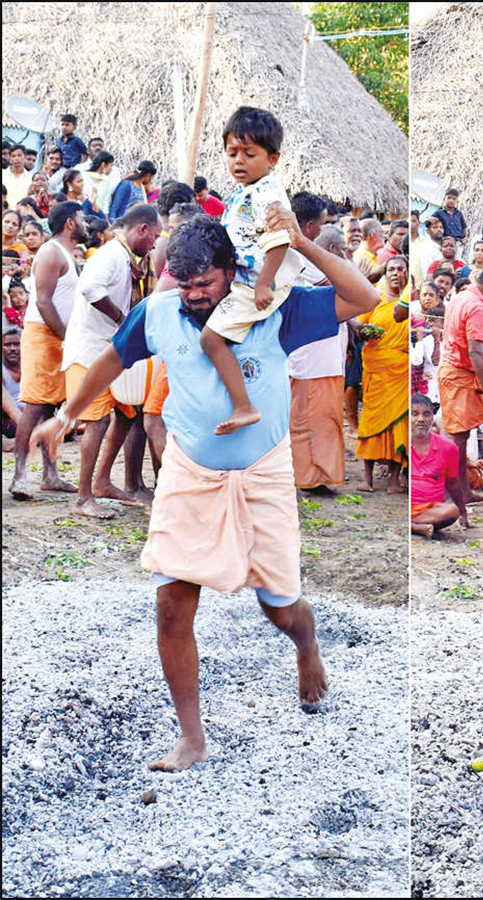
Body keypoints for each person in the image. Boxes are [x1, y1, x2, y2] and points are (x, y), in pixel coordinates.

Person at [29, 207, 380, 771]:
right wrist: (66, 414)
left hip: (263, 471)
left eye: (205, 283)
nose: (193, 295)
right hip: (189, 470)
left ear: (230, 271)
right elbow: (113, 357)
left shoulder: (273, 306)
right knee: (171, 606)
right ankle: (191, 738)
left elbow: (363, 298)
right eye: (184, 283)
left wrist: (298, 243)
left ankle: (308, 648)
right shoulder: (158, 311)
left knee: (281, 609)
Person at [197, 107, 297, 437]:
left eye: (249, 154)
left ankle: (244, 406)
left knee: (210, 339)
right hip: (244, 278)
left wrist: (263, 285)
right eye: (232, 153)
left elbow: (279, 239)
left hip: (256, 282)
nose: (239, 161)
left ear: (273, 158)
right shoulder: (245, 192)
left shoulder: (268, 193)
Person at [60, 201, 161, 518]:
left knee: (127, 413)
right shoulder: (111, 255)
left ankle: (102, 482)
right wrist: (122, 319)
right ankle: (83, 498)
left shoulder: (130, 257)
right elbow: (91, 289)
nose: (155, 244)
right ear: (142, 229)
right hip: (88, 349)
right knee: (97, 421)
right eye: (154, 236)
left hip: (110, 349)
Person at [10, 201, 87, 500]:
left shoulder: (64, 253)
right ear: (70, 223)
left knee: (53, 407)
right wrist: (67, 337)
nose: (86, 224)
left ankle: (50, 474)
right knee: (35, 406)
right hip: (44, 336)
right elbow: (43, 301)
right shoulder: (51, 252)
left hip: (59, 337)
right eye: (81, 218)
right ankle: (19, 476)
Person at [284, 193, 347, 494]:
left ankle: (318, 475)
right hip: (311, 353)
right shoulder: (297, 254)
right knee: (311, 416)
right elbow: (341, 286)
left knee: (320, 415)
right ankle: (310, 477)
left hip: (320, 350)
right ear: (309, 226)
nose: (321, 231)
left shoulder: (301, 253)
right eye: (321, 225)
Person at [436, 265, 483, 509]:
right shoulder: (476, 306)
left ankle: (463, 491)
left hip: (456, 373)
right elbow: (476, 351)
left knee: (462, 436)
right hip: (460, 374)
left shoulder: (462, 296)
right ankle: (452, 494)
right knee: (456, 438)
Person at [355, 256, 411, 493]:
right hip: (376, 369)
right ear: (385, 274)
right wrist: (367, 332)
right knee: (371, 419)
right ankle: (367, 479)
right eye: (391, 270)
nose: (396, 273)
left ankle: (394, 480)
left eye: (400, 269)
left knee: (398, 422)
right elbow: (358, 327)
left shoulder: (411, 301)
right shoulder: (375, 299)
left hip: (401, 371)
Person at [410, 392, 465, 536]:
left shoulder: (448, 447)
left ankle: (411, 525)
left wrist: (463, 512)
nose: (420, 419)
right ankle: (414, 527)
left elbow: (453, 483)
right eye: (414, 414)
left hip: (430, 511)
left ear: (432, 418)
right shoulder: (400, 444)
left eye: (426, 414)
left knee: (452, 511)